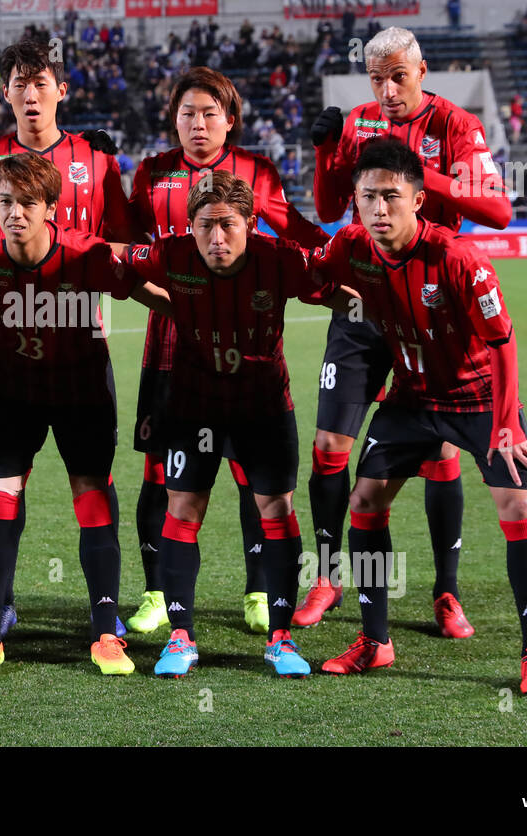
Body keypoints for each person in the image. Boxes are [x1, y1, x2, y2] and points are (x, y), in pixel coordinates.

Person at [310, 140, 527, 696]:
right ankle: (376, 641)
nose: (378, 208)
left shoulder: (460, 259)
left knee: (518, 503)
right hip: (412, 397)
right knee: (365, 502)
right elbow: (314, 279)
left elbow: (503, 340)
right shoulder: (351, 244)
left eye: (391, 197)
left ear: (419, 200)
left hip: (477, 398)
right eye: (368, 196)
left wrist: (506, 424)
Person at [303, 27, 510, 637]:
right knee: (329, 449)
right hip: (365, 300)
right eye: (377, 78)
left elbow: (498, 211)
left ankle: (446, 594)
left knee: (441, 453)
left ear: (422, 70)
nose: (388, 90)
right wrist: (324, 152)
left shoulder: (456, 125)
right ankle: (328, 575)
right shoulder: (361, 124)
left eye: (399, 76)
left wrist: (421, 176)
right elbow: (330, 209)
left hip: (431, 309)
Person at [0, 152, 169, 678]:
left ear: (49, 207)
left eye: (27, 203)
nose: (15, 213)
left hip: (80, 394)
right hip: (11, 396)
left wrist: (195, 309)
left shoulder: (85, 254)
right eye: (6, 202)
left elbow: (138, 286)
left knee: (92, 500)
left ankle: (106, 633)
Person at [124, 170, 356, 678]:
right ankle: (180, 638)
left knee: (275, 509)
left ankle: (280, 637)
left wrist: (382, 307)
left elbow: (339, 293)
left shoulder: (281, 260)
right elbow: (114, 268)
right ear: (190, 226)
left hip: (263, 409)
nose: (216, 237)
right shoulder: (172, 254)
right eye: (205, 225)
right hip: (192, 407)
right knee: (182, 508)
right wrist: (170, 305)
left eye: (228, 225)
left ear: (251, 224)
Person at [123, 67, 329, 638]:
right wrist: (178, 307)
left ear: (230, 121)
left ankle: (259, 588)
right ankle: (157, 592)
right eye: (187, 113)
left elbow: (292, 230)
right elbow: (125, 247)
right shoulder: (150, 174)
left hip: (244, 350)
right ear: (174, 120)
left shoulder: (256, 172)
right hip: (169, 350)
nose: (198, 124)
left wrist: (343, 249)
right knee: (159, 473)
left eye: (210, 114)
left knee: (250, 475)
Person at [0, 39, 142, 636]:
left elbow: (124, 244)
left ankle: (104, 617)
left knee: (91, 487)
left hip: (82, 353)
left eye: (42, 83)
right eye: (20, 83)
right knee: (1, 491)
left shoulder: (98, 160)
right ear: (5, 91)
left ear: (62, 91)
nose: (31, 94)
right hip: (12, 357)